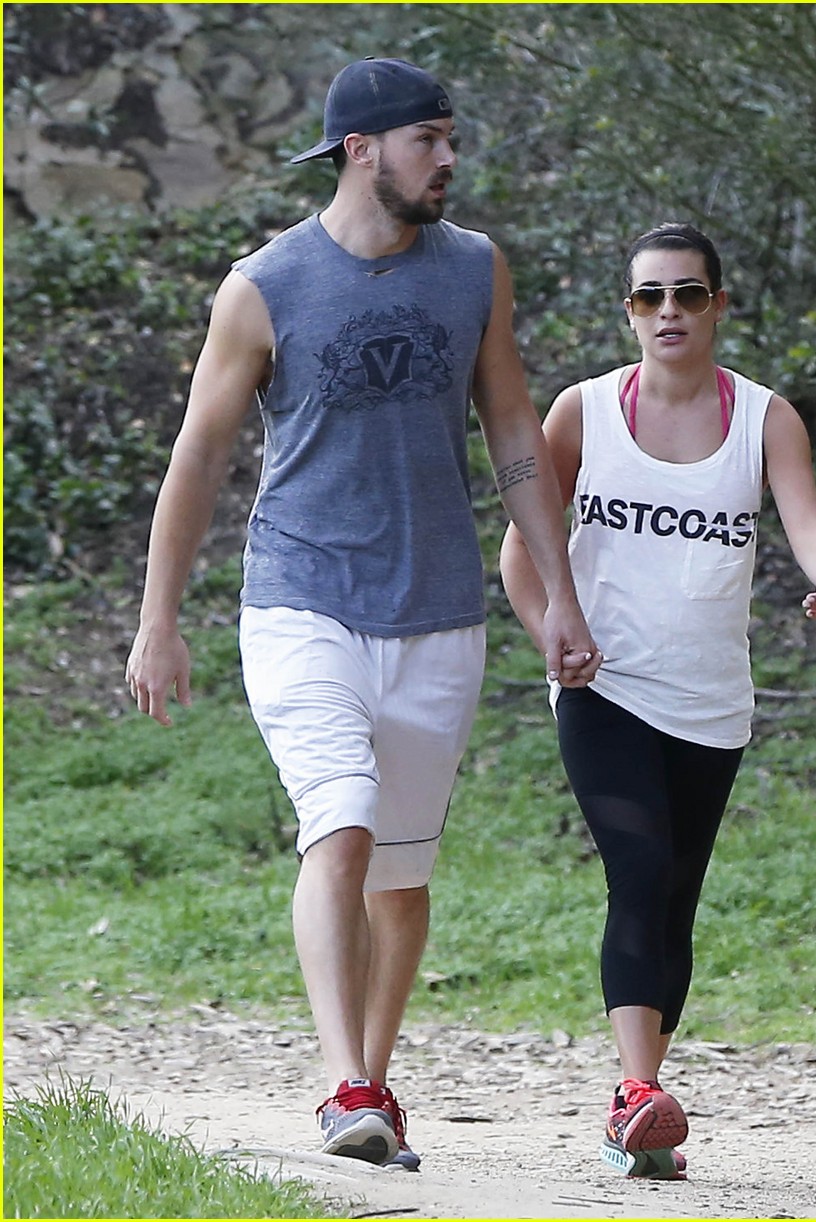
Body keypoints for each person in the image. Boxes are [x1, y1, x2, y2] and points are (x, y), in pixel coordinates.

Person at [125, 57, 599, 1171]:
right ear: (360, 150)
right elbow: (199, 454)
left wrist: (559, 600)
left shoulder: (474, 269)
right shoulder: (265, 284)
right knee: (339, 821)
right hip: (302, 600)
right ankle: (344, 1085)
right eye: (428, 138)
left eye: (450, 138)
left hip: (438, 611)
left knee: (401, 873)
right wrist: (159, 617)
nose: (448, 158)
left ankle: (375, 1082)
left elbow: (516, 432)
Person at [500, 222, 816, 1180]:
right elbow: (520, 551)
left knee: (676, 900)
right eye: (649, 296)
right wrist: (551, 637)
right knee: (639, 866)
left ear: (717, 307)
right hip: (603, 686)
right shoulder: (582, 414)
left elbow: (804, 513)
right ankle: (636, 1092)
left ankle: (640, 1109)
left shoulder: (765, 418)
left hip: (709, 702)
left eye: (686, 295)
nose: (667, 312)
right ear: (628, 310)